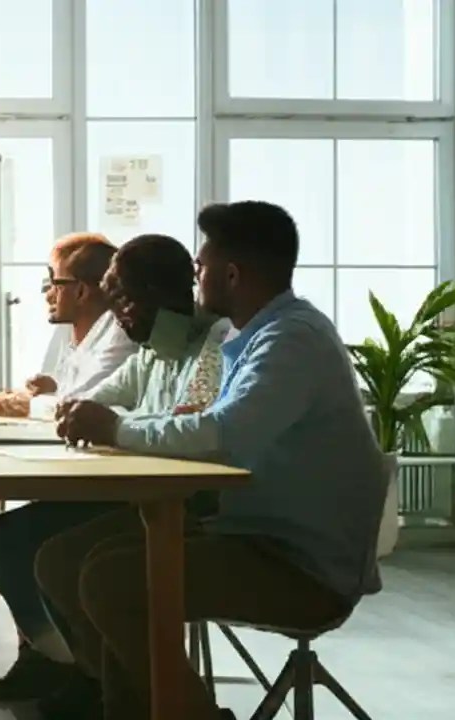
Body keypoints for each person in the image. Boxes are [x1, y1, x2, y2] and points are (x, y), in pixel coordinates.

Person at [40, 201, 386, 720]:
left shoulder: (291, 340)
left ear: (231, 274)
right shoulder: (247, 336)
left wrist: (114, 428)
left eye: (200, 267)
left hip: (302, 565)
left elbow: (222, 434)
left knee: (112, 581)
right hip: (245, 532)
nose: (194, 277)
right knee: (65, 561)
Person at [0, 234, 229, 705]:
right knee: (12, 538)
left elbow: (191, 427)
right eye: (116, 303)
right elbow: (94, 402)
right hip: (142, 492)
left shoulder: (210, 343)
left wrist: (112, 425)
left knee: (37, 547)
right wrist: (78, 412)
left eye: (128, 301)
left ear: (161, 293)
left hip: (180, 503)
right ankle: (73, 666)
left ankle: (83, 674)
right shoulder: (155, 346)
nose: (120, 315)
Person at [0, 232, 135, 417]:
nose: (49, 295)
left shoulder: (120, 334)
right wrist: (55, 387)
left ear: (81, 291)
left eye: (55, 284)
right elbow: (76, 393)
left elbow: (82, 406)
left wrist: (28, 405)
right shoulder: (78, 335)